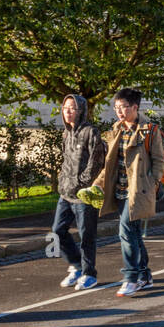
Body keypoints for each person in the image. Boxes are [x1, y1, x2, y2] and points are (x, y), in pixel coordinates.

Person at [82, 87, 164, 297]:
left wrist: (153, 183)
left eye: (124, 107)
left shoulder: (150, 130)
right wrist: (97, 184)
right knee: (134, 233)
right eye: (116, 107)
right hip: (118, 190)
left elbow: (159, 161)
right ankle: (145, 275)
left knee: (125, 231)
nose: (119, 111)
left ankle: (130, 277)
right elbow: (110, 164)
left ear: (135, 107)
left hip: (138, 191)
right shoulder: (116, 129)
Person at [53, 94, 106, 290]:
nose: (68, 111)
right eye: (65, 108)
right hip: (65, 193)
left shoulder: (90, 132)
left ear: (81, 110)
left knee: (87, 235)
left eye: (72, 108)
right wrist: (64, 181)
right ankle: (76, 265)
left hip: (84, 194)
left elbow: (96, 161)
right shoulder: (66, 133)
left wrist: (82, 182)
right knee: (57, 231)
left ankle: (89, 273)